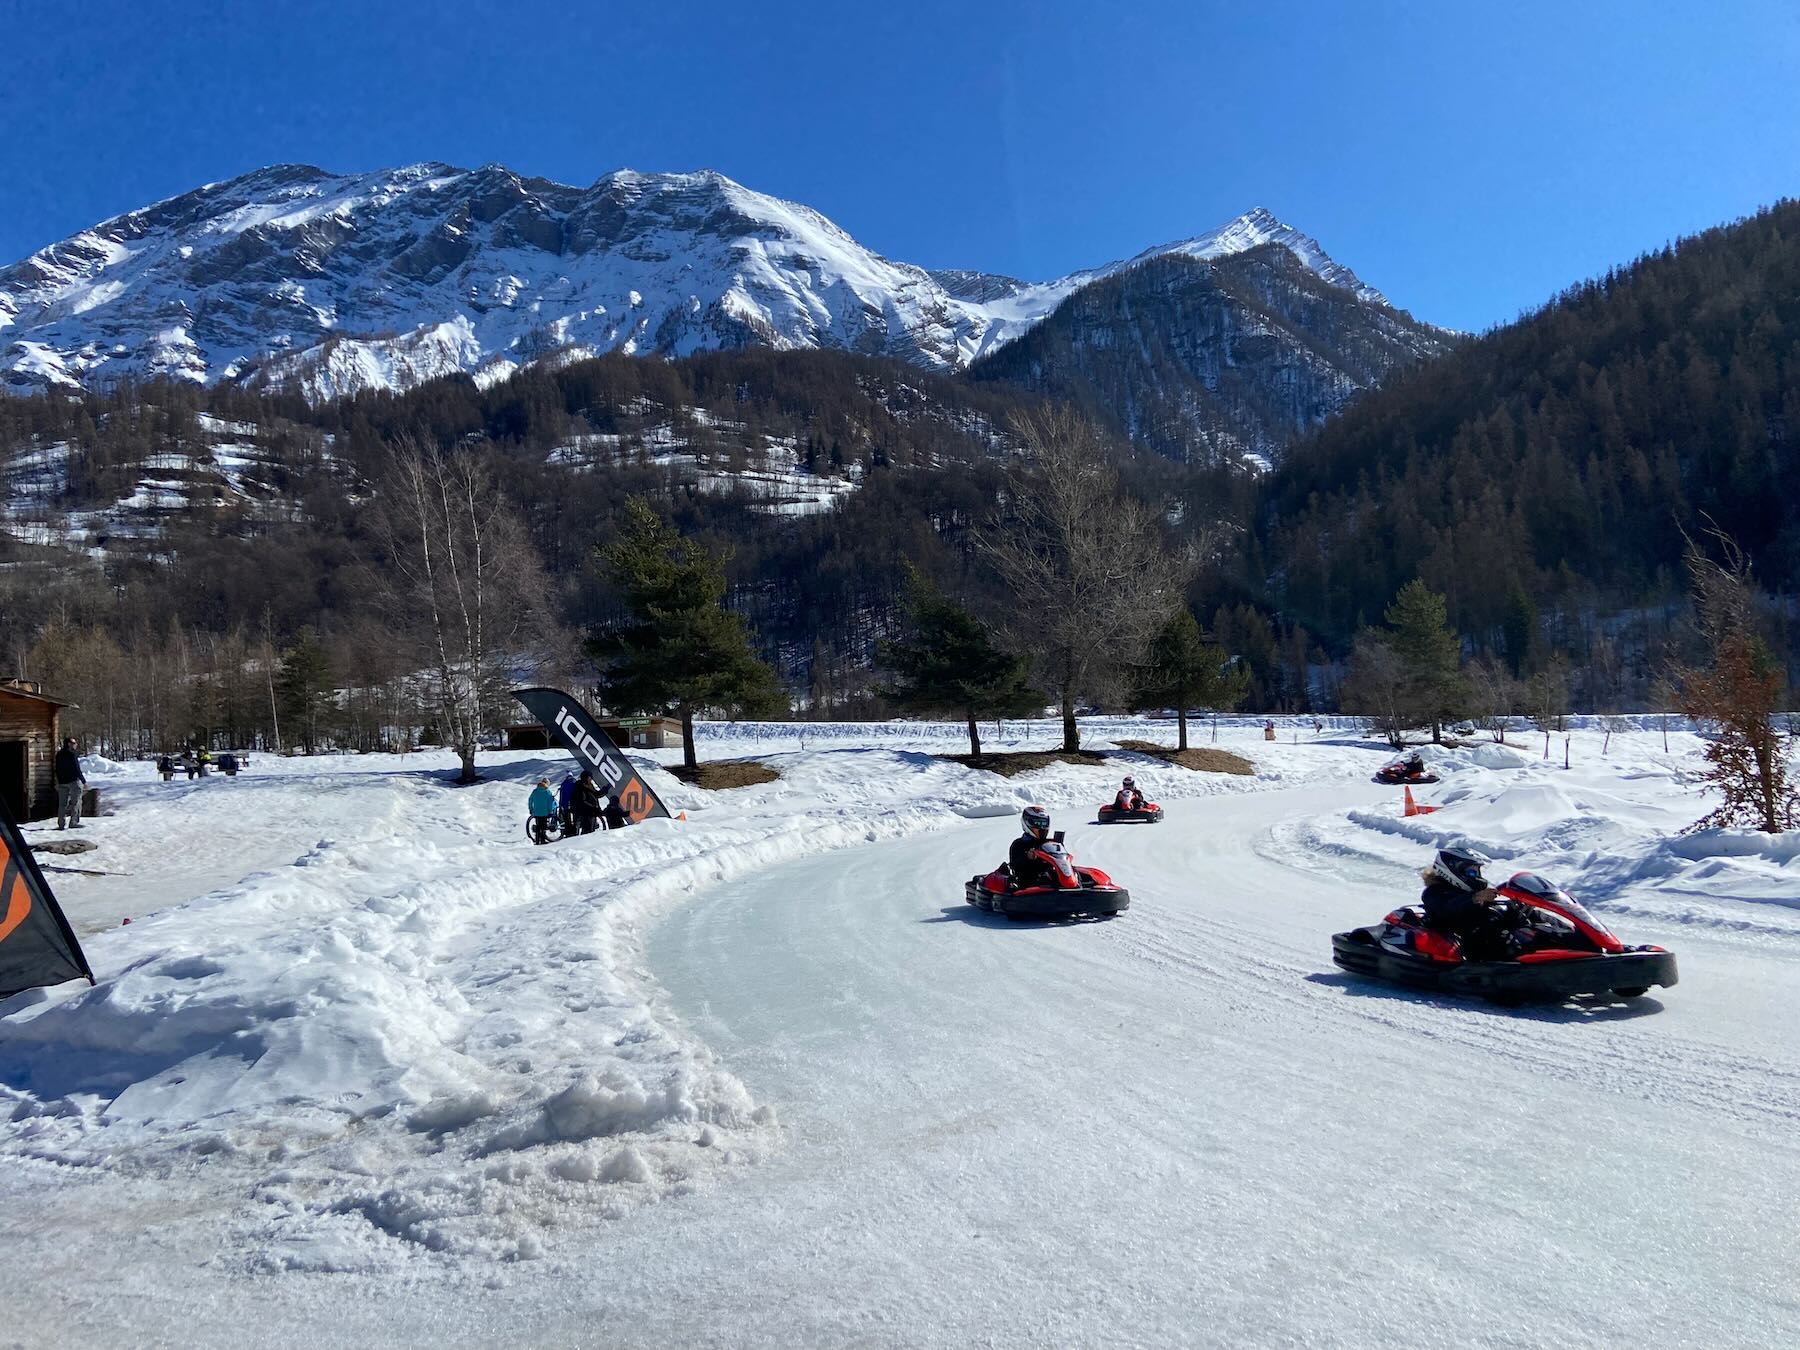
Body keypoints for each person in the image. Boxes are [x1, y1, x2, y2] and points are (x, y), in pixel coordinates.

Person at [1419, 845, 1518, 961]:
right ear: (1450, 869)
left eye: (1477, 871)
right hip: (1459, 942)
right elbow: (1449, 907)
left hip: (1477, 934)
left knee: (1508, 916)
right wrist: (1475, 898)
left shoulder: (1467, 891)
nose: (1476, 876)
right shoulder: (1433, 892)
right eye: (1471, 872)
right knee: (1490, 928)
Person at [1007, 805, 1058, 889]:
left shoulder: (1051, 843)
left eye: (1043, 823)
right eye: (1038, 823)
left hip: (1051, 882)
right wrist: (1028, 857)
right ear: (1027, 823)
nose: (1042, 827)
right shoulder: (1018, 844)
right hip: (1028, 884)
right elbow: (1015, 865)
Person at [53, 736, 86, 830]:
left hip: (62, 782)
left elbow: (57, 769)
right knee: (76, 802)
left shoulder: (59, 754)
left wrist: (58, 781)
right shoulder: (72, 754)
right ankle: (74, 822)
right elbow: (76, 769)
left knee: (62, 804)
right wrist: (83, 780)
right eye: (74, 743)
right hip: (73, 781)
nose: (75, 745)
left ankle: (61, 823)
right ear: (69, 744)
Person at [572, 770, 605, 835]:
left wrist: (605, 790)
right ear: (586, 777)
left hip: (592, 812)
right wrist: (593, 807)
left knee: (591, 831)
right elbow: (582, 801)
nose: (591, 779)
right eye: (590, 777)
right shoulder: (580, 787)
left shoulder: (589, 785)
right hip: (586, 813)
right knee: (587, 832)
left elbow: (596, 794)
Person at [527, 778, 559, 845]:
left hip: (536, 812)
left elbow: (530, 800)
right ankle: (542, 840)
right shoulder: (547, 792)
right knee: (543, 826)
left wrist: (531, 809)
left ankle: (538, 840)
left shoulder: (535, 791)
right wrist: (550, 811)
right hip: (545, 812)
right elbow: (550, 803)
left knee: (538, 825)